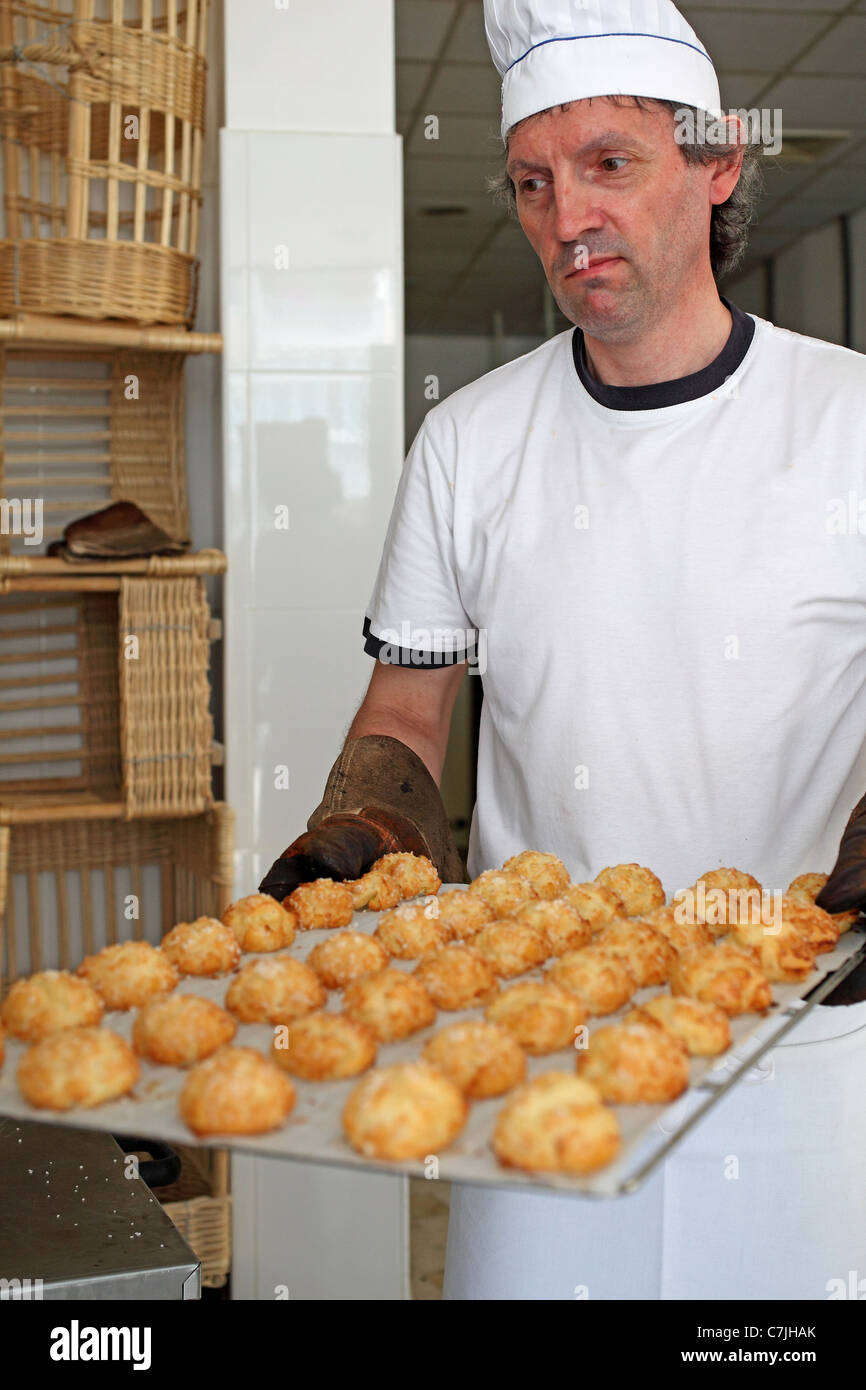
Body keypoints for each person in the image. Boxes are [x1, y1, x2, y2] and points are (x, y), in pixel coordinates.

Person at [262, 0, 866, 1299]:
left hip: (802, 1060)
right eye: (532, 183)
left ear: (715, 168)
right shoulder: (468, 445)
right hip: (536, 1048)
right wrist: (362, 818)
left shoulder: (848, 421)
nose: (565, 219)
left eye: (607, 163)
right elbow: (411, 710)